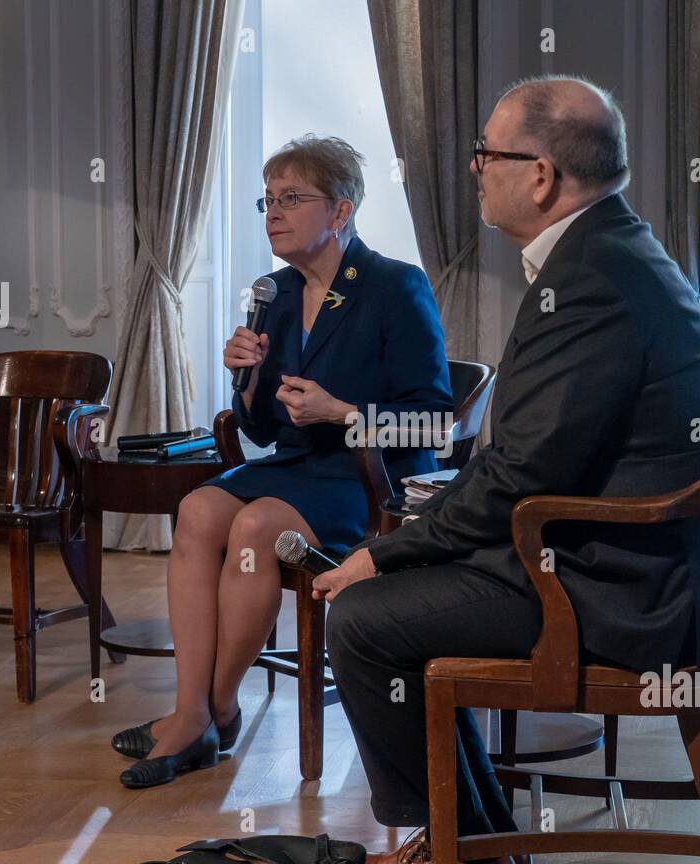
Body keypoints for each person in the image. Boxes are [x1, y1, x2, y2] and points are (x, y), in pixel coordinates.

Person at [312, 76, 700, 864]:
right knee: (393, 598)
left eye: (485, 155)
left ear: (540, 175)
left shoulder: (591, 283)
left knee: (363, 618)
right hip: (615, 564)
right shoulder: (606, 253)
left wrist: (388, 549)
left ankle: (459, 850)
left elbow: (522, 474)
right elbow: (527, 461)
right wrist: (430, 532)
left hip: (609, 593)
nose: (474, 170)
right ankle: (473, 846)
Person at [112, 135, 453, 789]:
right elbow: (261, 428)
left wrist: (343, 411)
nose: (273, 212)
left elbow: (433, 418)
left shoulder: (394, 286)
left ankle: (212, 712)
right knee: (199, 507)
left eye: (291, 198)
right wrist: (247, 374)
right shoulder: (272, 291)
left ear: (341, 211)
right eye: (267, 199)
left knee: (257, 524)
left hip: (370, 478)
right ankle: (193, 712)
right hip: (298, 466)